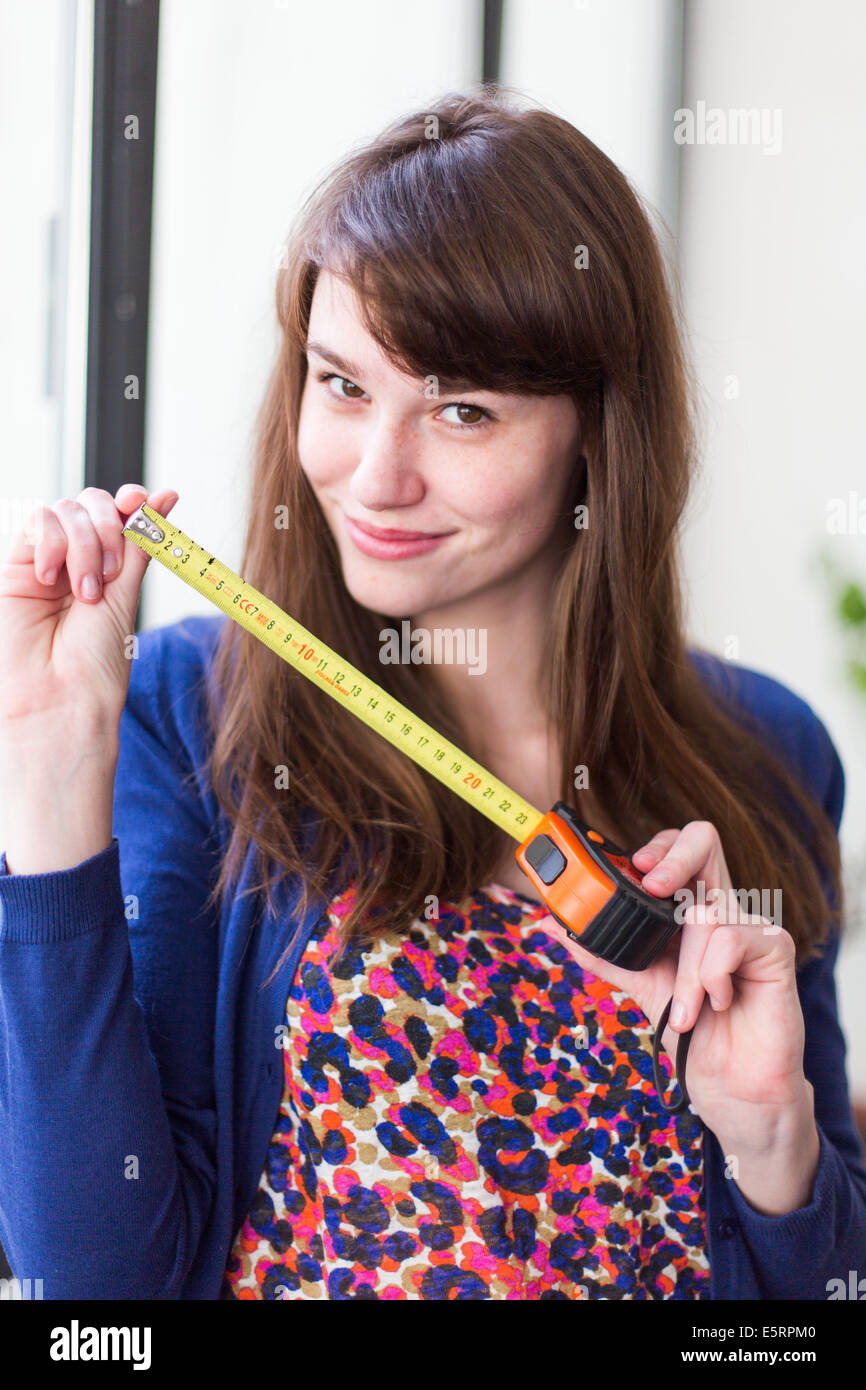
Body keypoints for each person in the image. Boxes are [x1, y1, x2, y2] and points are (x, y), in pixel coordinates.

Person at [0, 87, 864, 1301]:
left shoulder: (771, 752)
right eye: (342, 384)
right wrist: (45, 780)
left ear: (594, 437)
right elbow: (96, 1291)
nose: (374, 475)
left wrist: (774, 1138)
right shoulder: (194, 715)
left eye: (461, 409)